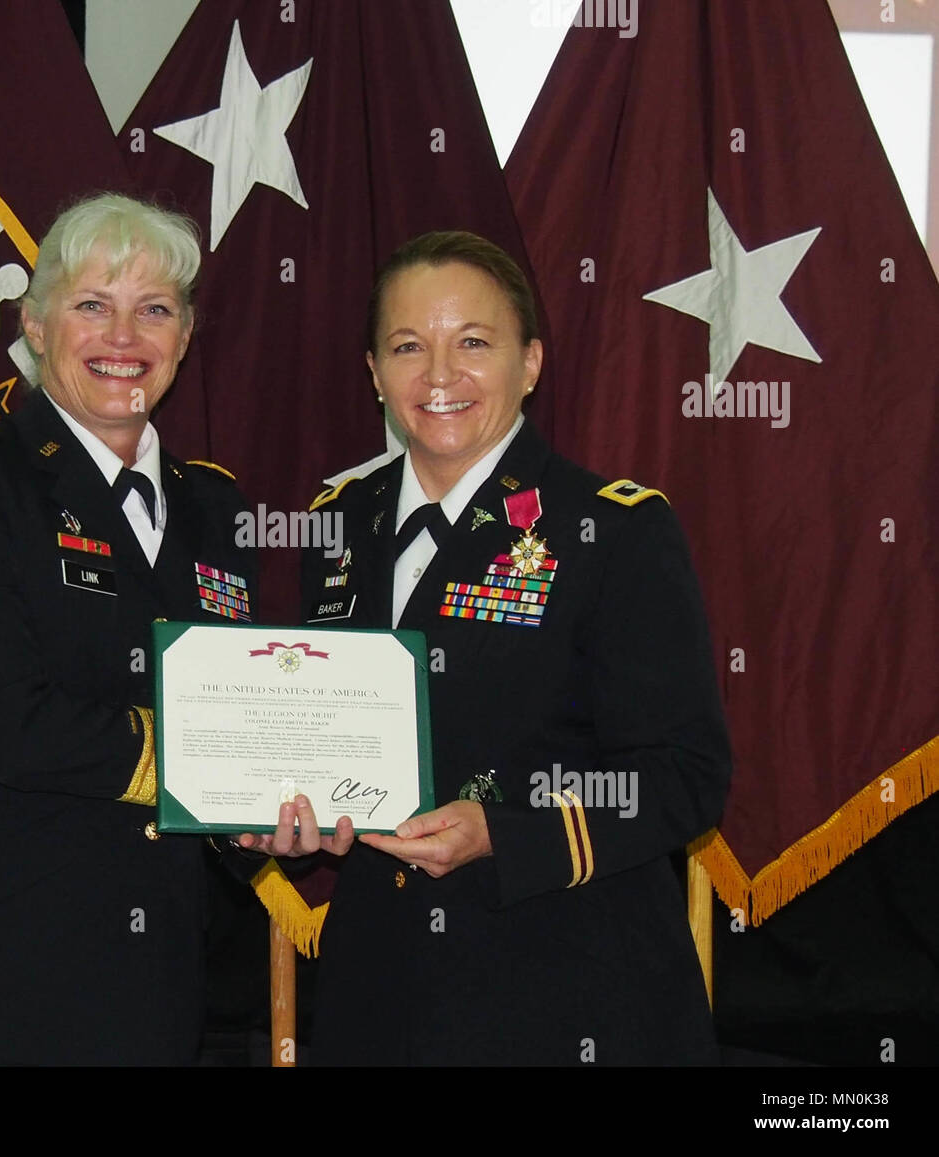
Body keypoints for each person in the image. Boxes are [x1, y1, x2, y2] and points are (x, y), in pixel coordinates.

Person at [283, 230, 731, 1065]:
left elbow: (686, 775)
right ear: (374, 371)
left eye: (474, 343)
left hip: (565, 988)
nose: (440, 375)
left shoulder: (614, 530)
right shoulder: (335, 521)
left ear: (530, 363)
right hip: (380, 994)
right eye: (408, 346)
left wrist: (504, 833)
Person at [0, 193, 258, 1065]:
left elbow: (240, 695)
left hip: (152, 997)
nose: (124, 336)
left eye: (154, 308)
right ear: (34, 327)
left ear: (185, 336)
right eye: (92, 305)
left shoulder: (216, 507)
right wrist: (224, 766)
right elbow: (10, 725)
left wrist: (269, 812)